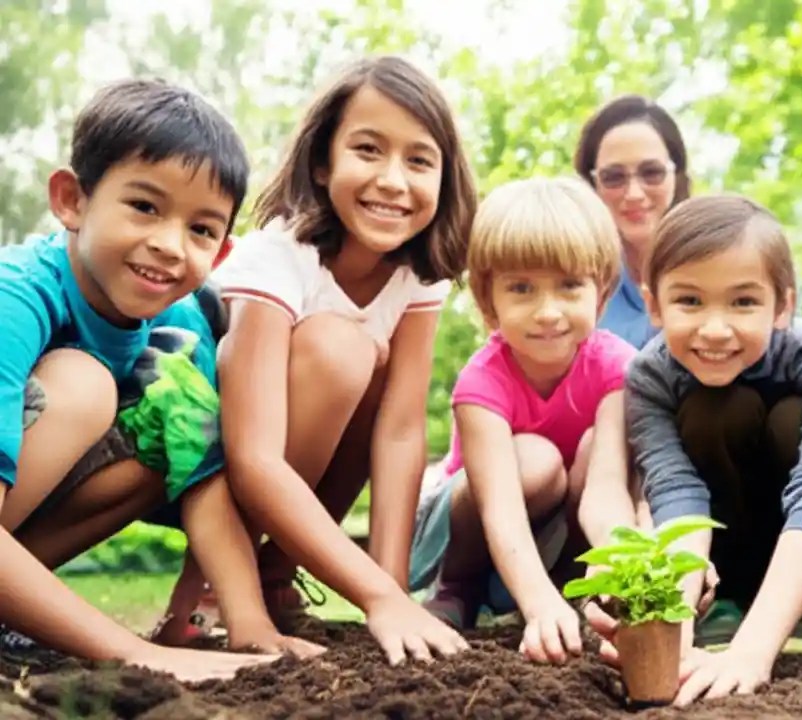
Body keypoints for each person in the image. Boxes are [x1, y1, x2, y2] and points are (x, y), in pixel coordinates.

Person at [161, 56, 476, 665]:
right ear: (322, 162)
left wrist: (391, 592)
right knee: (341, 348)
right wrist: (377, 592)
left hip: (292, 465)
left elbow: (401, 430)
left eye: (418, 160)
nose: (392, 179)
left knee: (375, 367)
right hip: (200, 460)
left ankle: (275, 576)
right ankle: (206, 588)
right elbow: (251, 457)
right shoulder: (280, 255)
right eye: (368, 149)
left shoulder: (418, 276)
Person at [0, 78, 280, 680]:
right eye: (145, 207)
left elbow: (202, 479)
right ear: (72, 200)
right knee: (84, 385)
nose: (168, 245)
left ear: (221, 253)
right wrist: (140, 656)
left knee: (168, 441)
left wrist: (254, 635)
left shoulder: (181, 322)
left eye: (201, 229)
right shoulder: (15, 300)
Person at [625, 194, 802, 706]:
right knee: (716, 408)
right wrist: (676, 631)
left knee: (791, 420)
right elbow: (676, 495)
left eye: (743, 302)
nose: (715, 330)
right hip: (726, 534)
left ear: (783, 304)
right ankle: (728, 600)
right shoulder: (650, 376)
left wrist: (754, 652)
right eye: (689, 301)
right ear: (653, 304)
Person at [407, 177, 640, 663]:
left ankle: (572, 590)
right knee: (537, 459)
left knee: (601, 446)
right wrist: (536, 606)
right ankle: (460, 586)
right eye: (522, 289)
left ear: (601, 291)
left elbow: (609, 485)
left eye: (569, 285)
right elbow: (500, 511)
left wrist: (622, 564)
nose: (548, 312)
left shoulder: (620, 369)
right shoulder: (481, 383)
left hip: (561, 527)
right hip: (474, 522)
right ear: (489, 302)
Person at [575, 95, 690, 350]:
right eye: (614, 177)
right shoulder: (571, 279)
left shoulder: (726, 259)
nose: (634, 194)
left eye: (651, 173)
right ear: (592, 185)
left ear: (677, 174)